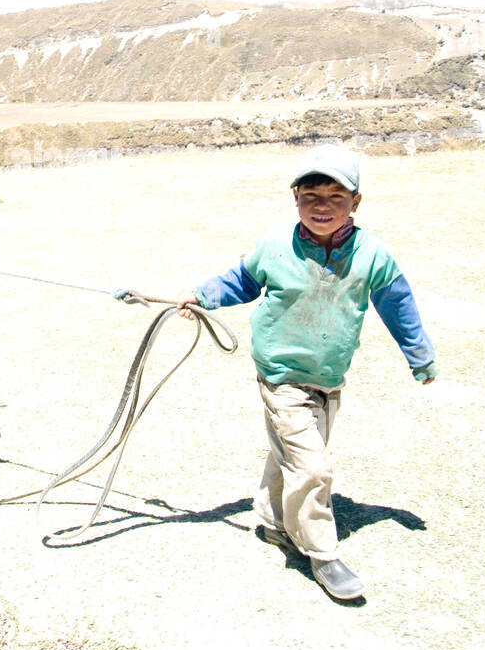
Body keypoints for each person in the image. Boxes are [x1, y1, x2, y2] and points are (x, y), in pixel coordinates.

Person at [178, 145, 436, 602]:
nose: (322, 206)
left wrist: (419, 356)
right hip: (280, 374)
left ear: (356, 202)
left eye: (336, 196)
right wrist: (201, 296)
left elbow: (398, 305)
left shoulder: (373, 254)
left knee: (295, 458)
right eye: (311, 193)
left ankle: (275, 521)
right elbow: (241, 280)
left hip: (329, 373)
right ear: (294, 196)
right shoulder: (275, 246)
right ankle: (322, 554)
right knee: (313, 466)